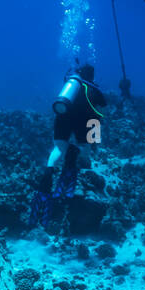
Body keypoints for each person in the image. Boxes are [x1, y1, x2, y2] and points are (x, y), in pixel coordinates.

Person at [30, 63, 107, 227]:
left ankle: (48, 174)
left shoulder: (71, 84)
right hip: (85, 121)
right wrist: (94, 141)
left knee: (58, 148)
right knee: (85, 149)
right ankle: (75, 155)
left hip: (63, 116)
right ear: (92, 75)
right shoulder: (93, 88)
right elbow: (101, 110)